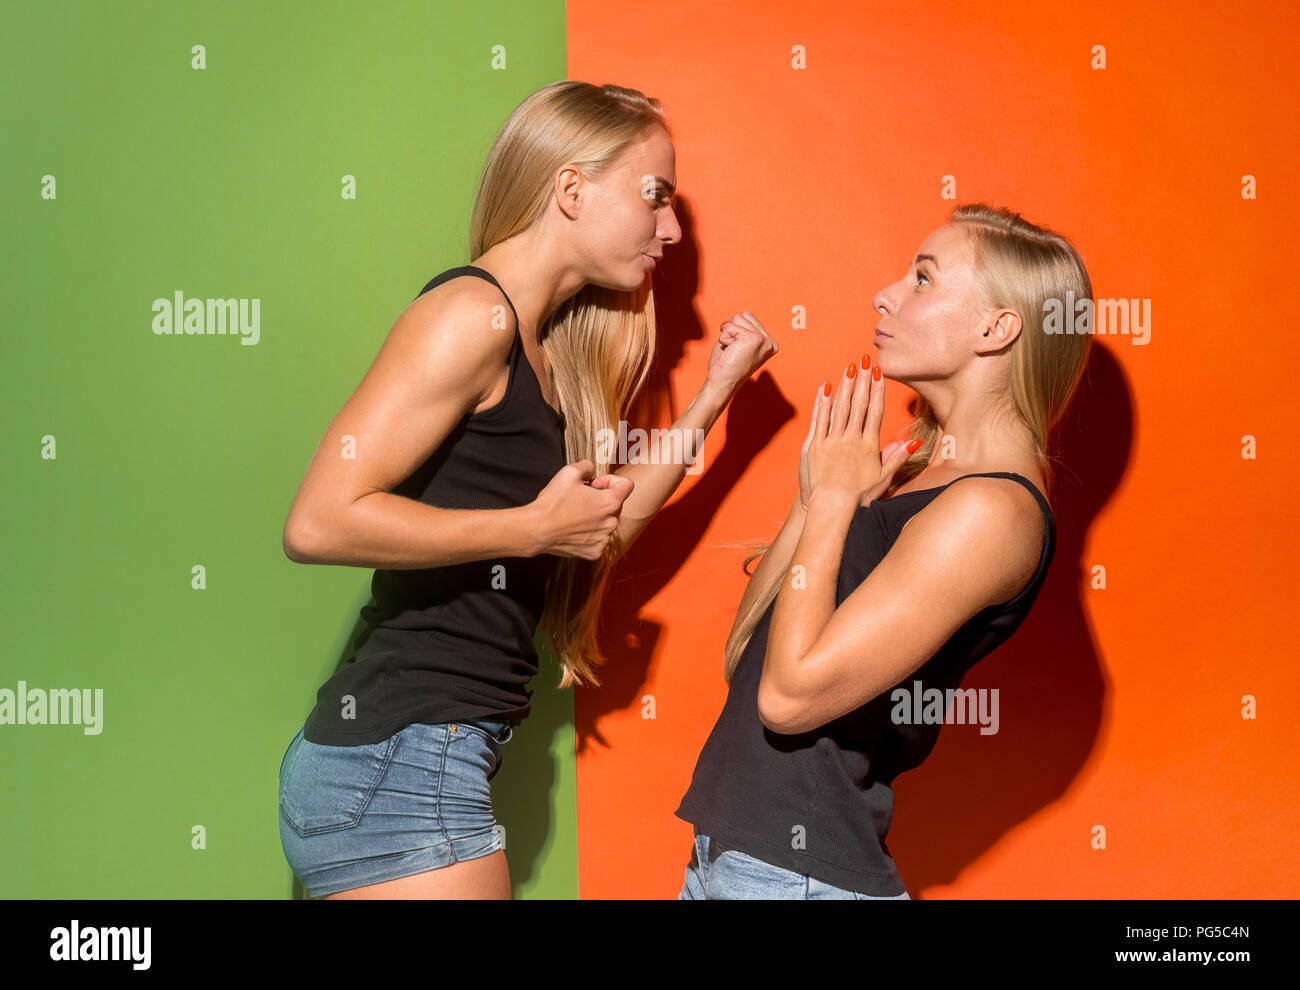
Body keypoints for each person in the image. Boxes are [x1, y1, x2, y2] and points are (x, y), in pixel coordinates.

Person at [276, 80, 775, 899]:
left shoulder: (540, 349)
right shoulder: (473, 315)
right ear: (570, 189)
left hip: (416, 757)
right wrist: (530, 530)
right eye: (655, 197)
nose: (672, 229)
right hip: (401, 765)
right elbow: (318, 522)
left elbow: (597, 530)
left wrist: (716, 396)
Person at [675, 203, 1092, 899]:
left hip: (796, 877)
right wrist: (816, 499)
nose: (887, 294)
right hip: (734, 860)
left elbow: (787, 699)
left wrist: (838, 502)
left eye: (924, 279)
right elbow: (744, 656)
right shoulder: (908, 476)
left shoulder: (993, 510)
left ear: (998, 327)